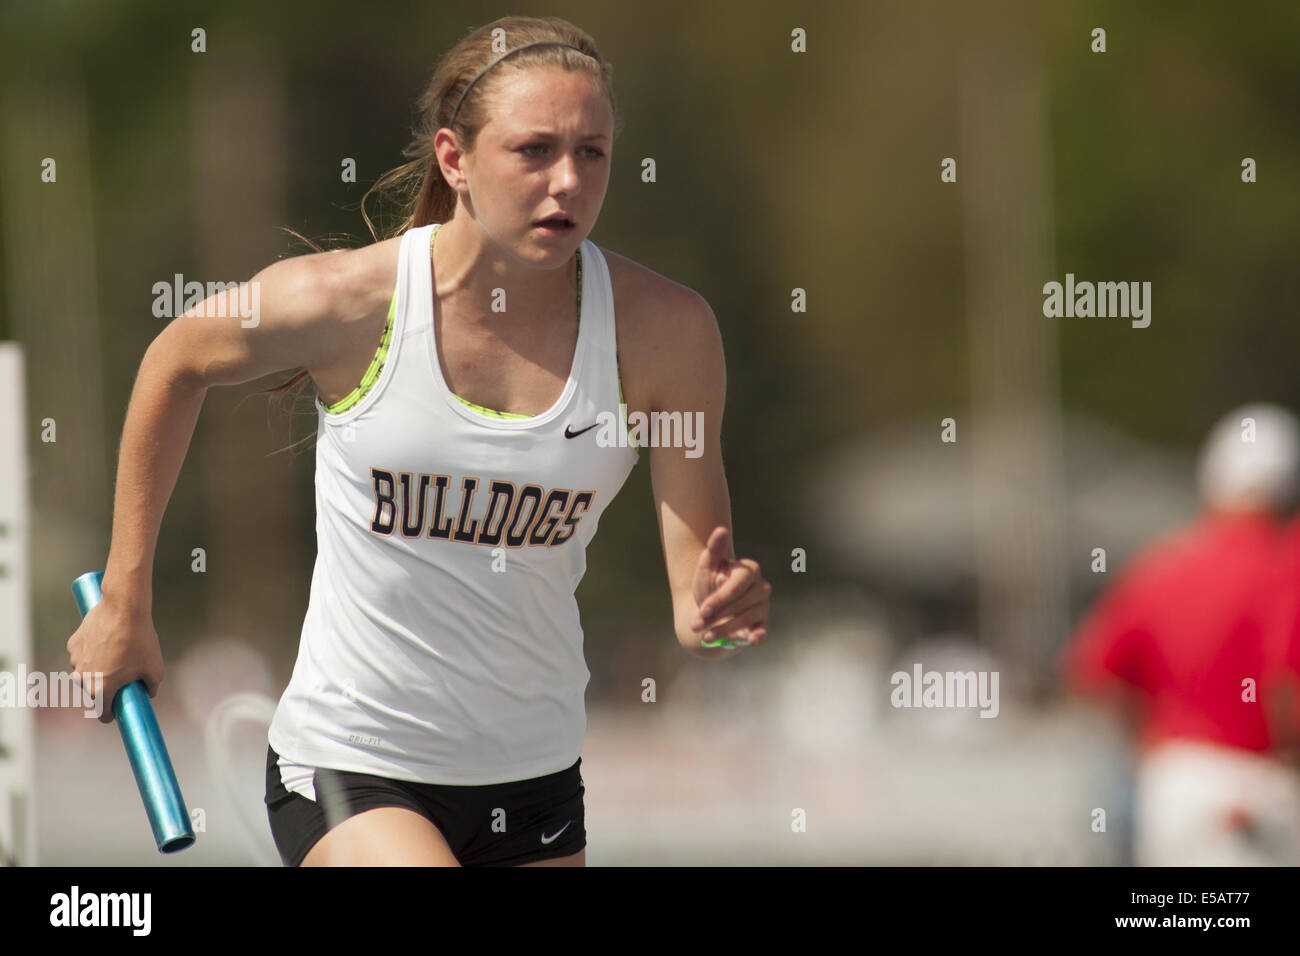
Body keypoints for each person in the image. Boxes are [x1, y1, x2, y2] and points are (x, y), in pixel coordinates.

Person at [65, 15, 772, 867]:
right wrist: (127, 600)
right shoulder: (350, 302)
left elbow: (700, 607)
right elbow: (175, 361)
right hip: (352, 763)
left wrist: (723, 617)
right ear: (454, 160)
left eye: (593, 153)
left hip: (535, 776)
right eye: (534, 150)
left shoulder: (668, 332)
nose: (568, 182)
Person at [1061, 403, 1300, 865]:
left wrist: (1152, 744)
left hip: (1170, 792)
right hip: (1260, 792)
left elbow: (1091, 675)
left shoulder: (1161, 566)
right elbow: (1284, 690)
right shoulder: (1286, 567)